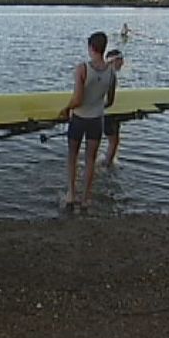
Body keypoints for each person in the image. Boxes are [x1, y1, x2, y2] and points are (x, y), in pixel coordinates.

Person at [59, 31, 115, 209]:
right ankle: (86, 199)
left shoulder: (82, 68)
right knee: (90, 159)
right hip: (96, 121)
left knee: (72, 156)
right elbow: (110, 101)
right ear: (104, 48)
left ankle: (70, 195)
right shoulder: (111, 72)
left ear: (91, 47)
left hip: (79, 119)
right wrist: (97, 106)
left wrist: (66, 109)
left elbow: (77, 99)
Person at [103, 49, 125, 167]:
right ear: (114, 60)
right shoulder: (111, 75)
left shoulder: (102, 71)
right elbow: (109, 100)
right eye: (120, 60)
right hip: (107, 112)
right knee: (114, 141)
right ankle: (107, 165)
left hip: (99, 111)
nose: (122, 63)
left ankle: (105, 162)